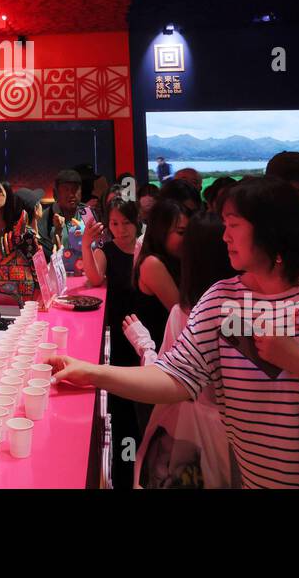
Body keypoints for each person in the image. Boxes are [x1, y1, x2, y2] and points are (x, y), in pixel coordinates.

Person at [49, 178, 299, 488]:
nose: (224, 236)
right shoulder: (223, 300)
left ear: (271, 230)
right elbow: (175, 377)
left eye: (234, 225)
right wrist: (91, 372)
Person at [123, 219, 235, 488]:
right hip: (237, 438)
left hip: (192, 434)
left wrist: (144, 343)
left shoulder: (188, 313)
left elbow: (165, 376)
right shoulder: (244, 310)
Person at [81, 198, 142, 489]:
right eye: (115, 224)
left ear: (136, 221)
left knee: (142, 407)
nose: (121, 230)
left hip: (145, 334)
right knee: (122, 410)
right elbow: (93, 278)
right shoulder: (107, 250)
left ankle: (142, 467)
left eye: (126, 222)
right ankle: (124, 474)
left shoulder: (145, 250)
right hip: (120, 338)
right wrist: (86, 244)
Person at [129, 199, 187, 431]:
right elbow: (182, 313)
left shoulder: (175, 259)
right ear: (161, 231)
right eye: (181, 232)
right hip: (155, 361)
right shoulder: (152, 263)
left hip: (168, 360)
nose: (188, 238)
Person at [38, 168, 87, 273]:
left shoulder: (87, 213)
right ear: (55, 193)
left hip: (84, 274)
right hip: (55, 275)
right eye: (66, 189)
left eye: (75, 189)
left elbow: (97, 246)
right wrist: (58, 231)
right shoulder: (45, 217)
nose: (71, 194)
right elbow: (42, 253)